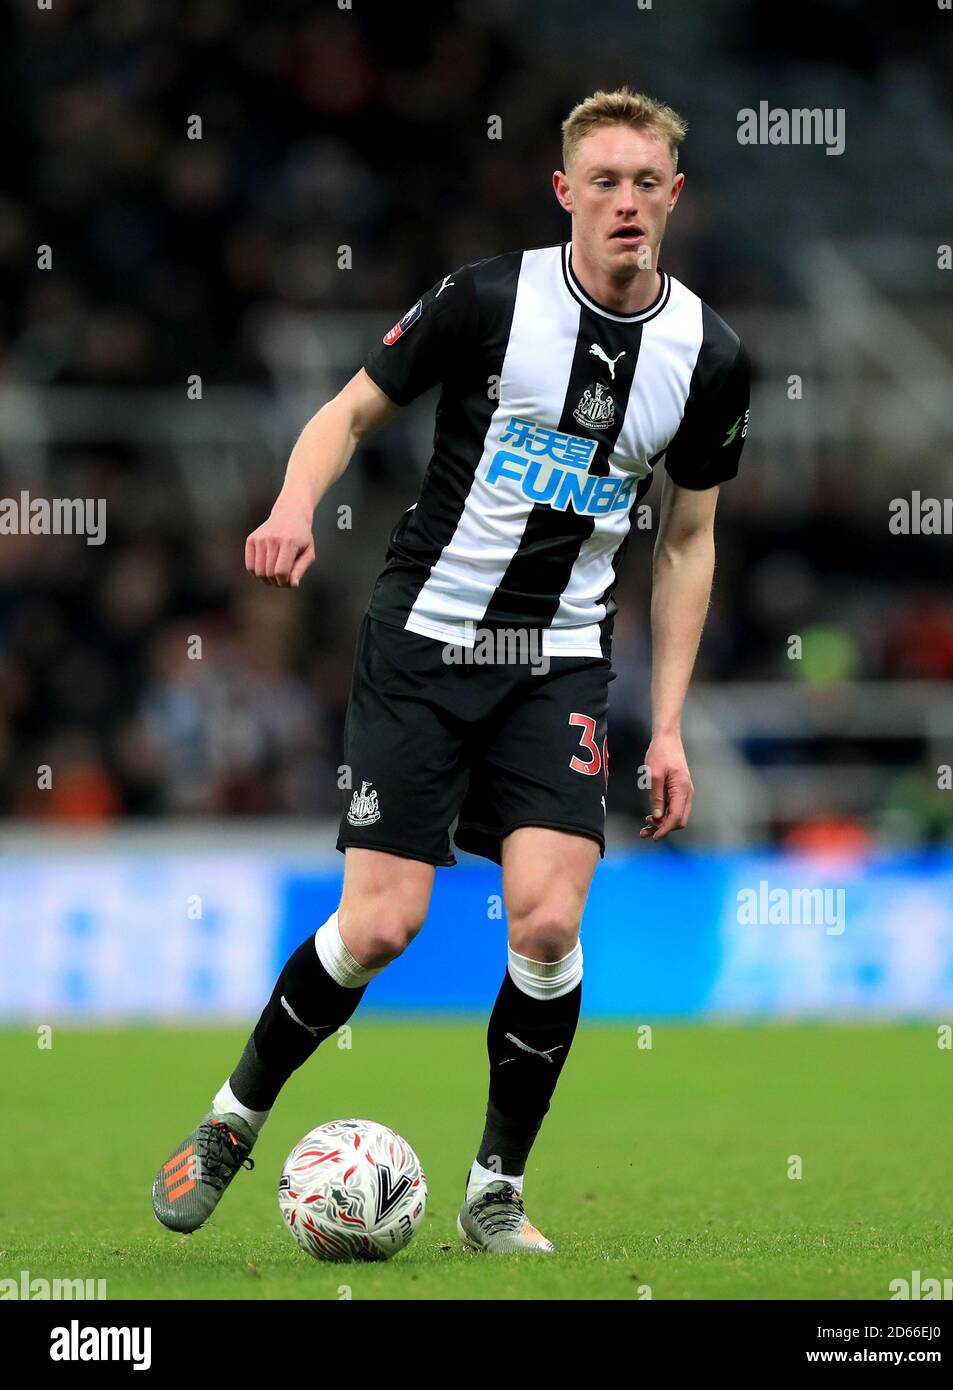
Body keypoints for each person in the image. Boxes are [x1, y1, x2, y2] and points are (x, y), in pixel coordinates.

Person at [152, 86, 750, 1254]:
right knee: (380, 925)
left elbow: (687, 541)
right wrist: (289, 505)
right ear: (565, 190)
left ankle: (493, 1192)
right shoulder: (487, 300)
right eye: (605, 180)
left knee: (544, 920)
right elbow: (350, 410)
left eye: (647, 183)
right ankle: (233, 1118)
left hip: (559, 663)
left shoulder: (709, 356)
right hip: (425, 644)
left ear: (673, 197)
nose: (625, 202)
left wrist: (668, 725)